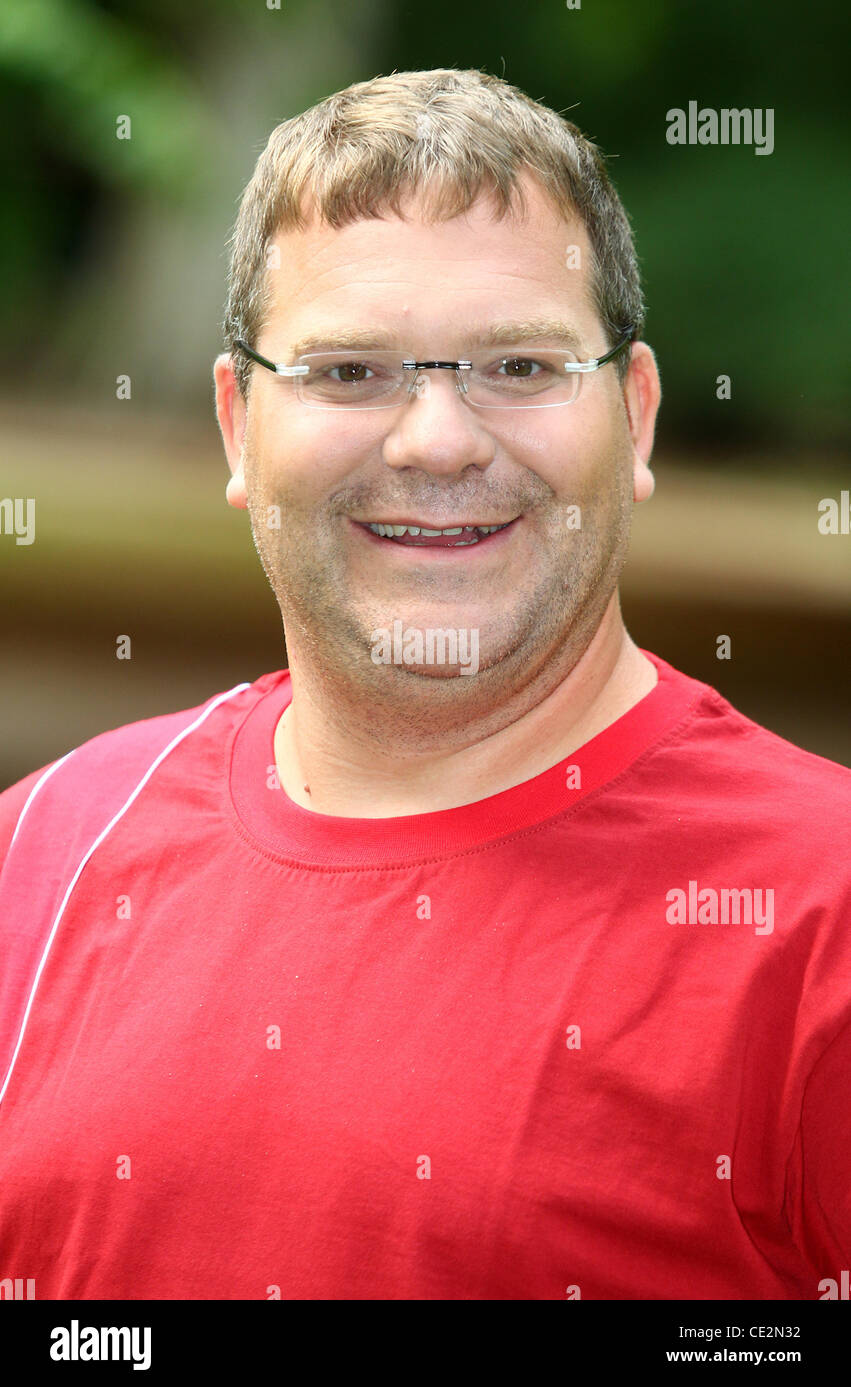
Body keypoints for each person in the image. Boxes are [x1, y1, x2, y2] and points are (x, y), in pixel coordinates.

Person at [0, 67, 848, 1302]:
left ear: (638, 414)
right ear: (238, 426)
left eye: (517, 364)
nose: (437, 440)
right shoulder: (40, 859)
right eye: (350, 372)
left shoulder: (822, 912)